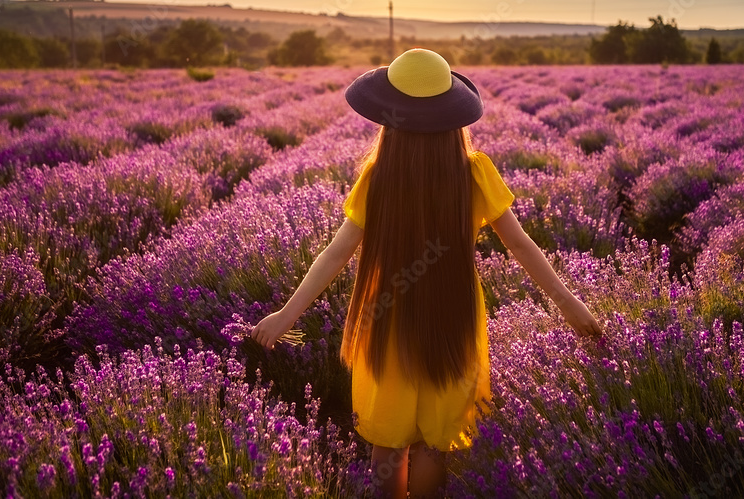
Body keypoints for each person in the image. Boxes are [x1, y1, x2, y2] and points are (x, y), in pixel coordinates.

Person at [251, 48, 602, 498]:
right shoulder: (474, 173)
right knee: (439, 442)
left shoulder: (379, 176)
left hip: (386, 317)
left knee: (389, 445)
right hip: (453, 317)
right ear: (453, 118)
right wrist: (570, 305)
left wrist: (286, 315)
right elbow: (519, 245)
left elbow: (336, 254)